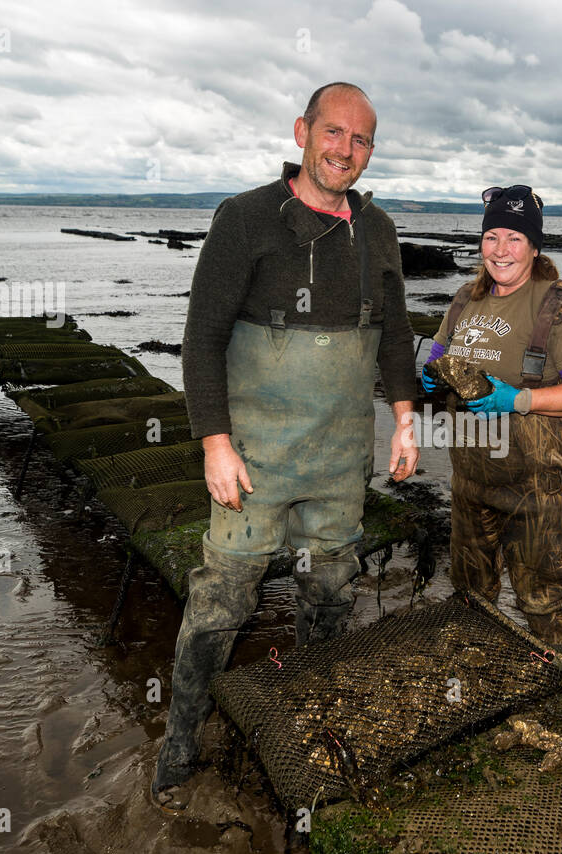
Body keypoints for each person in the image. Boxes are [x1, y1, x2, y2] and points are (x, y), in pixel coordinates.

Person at [152, 82, 418, 811]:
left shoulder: (382, 232)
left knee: (330, 593)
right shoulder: (244, 219)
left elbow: (395, 337)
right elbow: (202, 338)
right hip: (254, 459)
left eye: (361, 140)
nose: (345, 150)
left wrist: (403, 416)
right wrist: (214, 442)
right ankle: (179, 743)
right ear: (303, 131)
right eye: (334, 132)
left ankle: (311, 720)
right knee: (221, 602)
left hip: (339, 462)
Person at [420, 185, 562, 658]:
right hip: (470, 479)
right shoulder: (465, 300)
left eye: (515, 239)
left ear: (535, 247)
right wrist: (428, 379)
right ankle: (478, 669)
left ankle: (560, 685)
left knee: (542, 595)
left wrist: (518, 399)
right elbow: (439, 357)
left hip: (534, 485)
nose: (500, 250)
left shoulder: (559, 305)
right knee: (470, 590)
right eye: (492, 237)